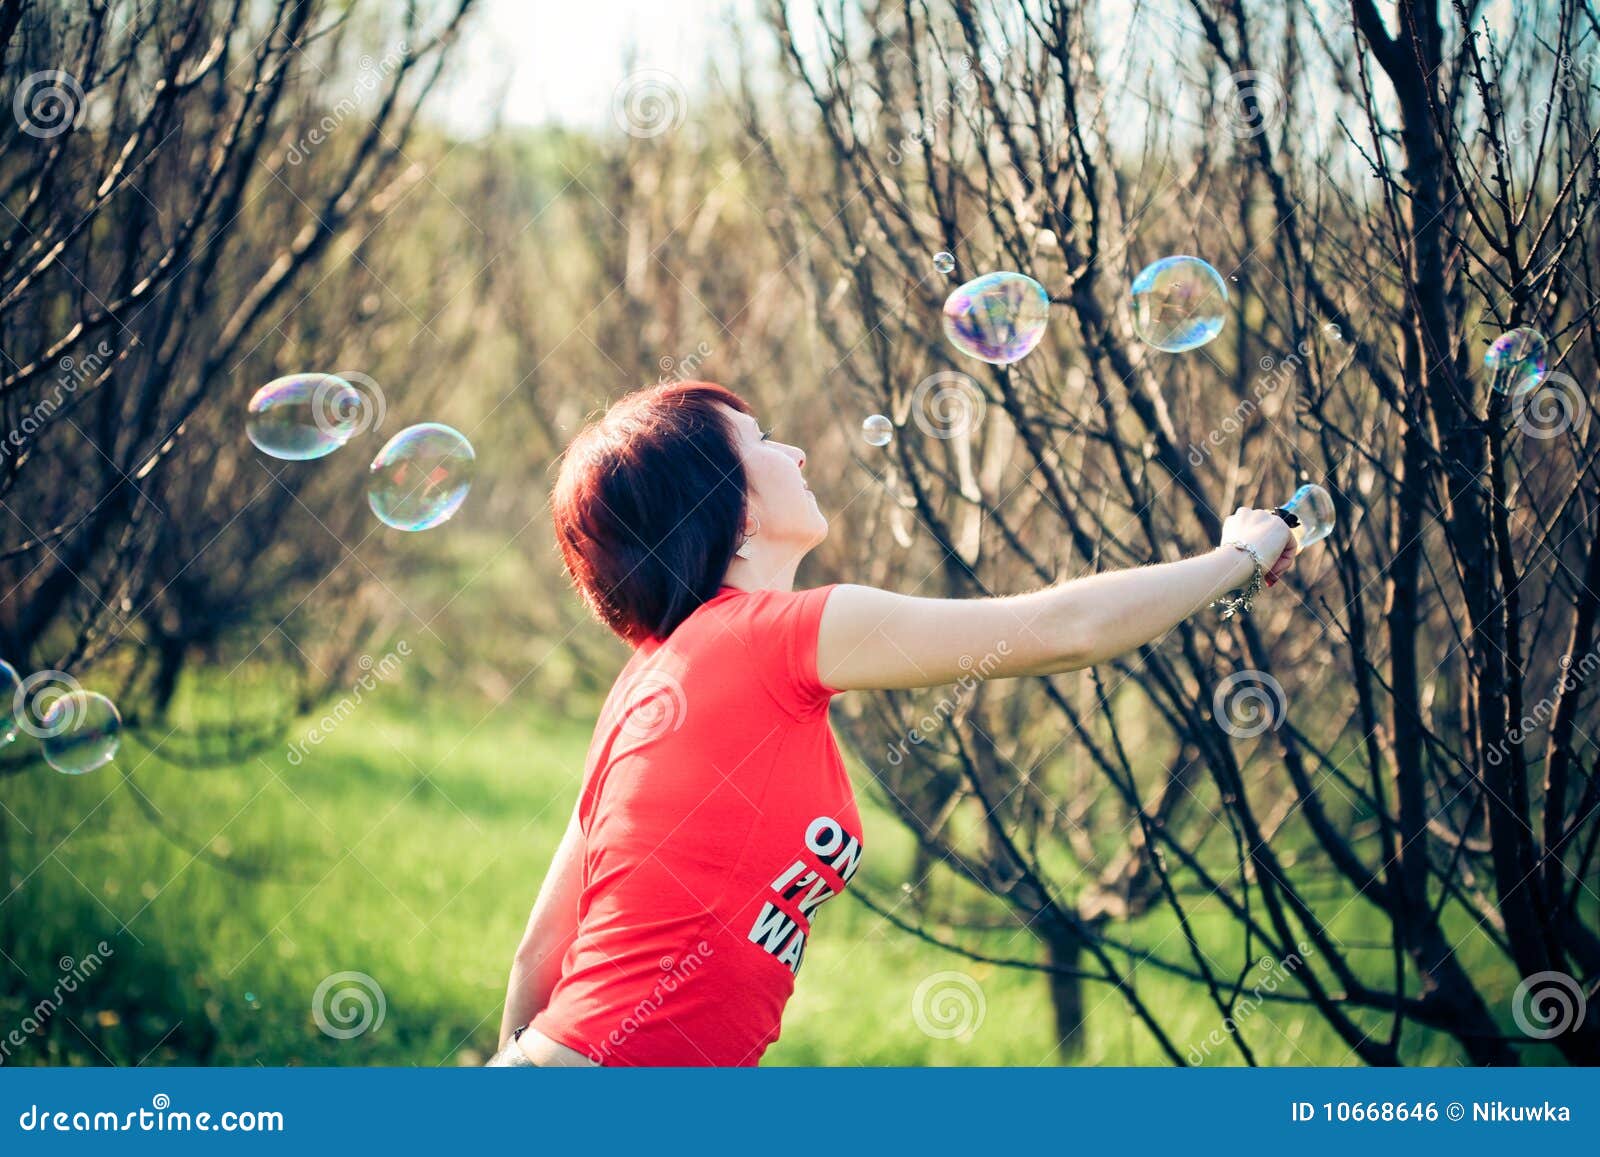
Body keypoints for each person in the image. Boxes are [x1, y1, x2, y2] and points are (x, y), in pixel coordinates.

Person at [488, 380, 1296, 1067]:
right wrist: (1238, 559)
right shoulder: (779, 633)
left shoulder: (645, 683)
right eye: (762, 440)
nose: (797, 453)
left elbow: (540, 952)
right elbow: (1066, 631)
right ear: (724, 508)